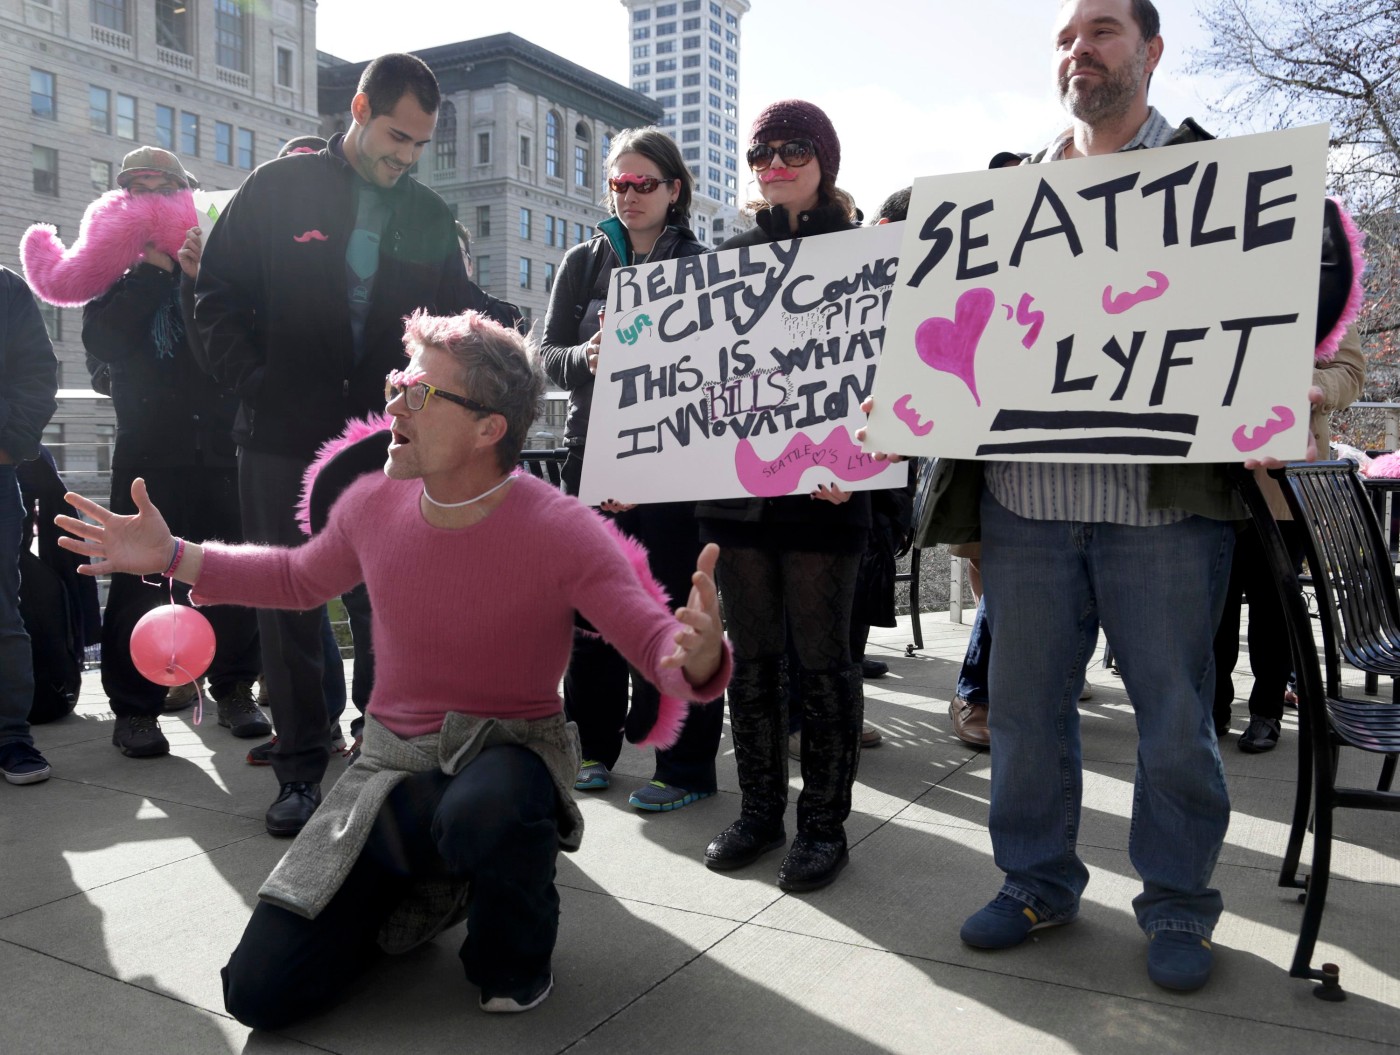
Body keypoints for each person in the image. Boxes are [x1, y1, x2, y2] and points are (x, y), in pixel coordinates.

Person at [56, 309, 730, 1018]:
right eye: (397, 384)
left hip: (504, 760)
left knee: (486, 810)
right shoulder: (374, 502)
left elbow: (655, 643)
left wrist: (700, 653)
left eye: (420, 392)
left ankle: (514, 951)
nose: (395, 405)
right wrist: (171, 554)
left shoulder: (562, 528)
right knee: (257, 992)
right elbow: (296, 579)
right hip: (388, 774)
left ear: (488, 429)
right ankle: (427, 888)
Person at [886, 0, 1354, 993]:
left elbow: (1324, 345)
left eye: (1100, 29)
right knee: (1022, 717)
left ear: (1151, 50)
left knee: (1176, 721)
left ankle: (1178, 902)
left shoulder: (1226, 185)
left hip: (1165, 519)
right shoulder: (1005, 197)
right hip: (1024, 510)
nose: (1078, 50)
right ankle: (1034, 881)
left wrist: (1302, 391)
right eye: (1064, 36)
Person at [195, 53, 473, 836]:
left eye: (419, 144)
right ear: (358, 110)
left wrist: (535, 344)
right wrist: (255, 382)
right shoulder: (277, 188)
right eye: (395, 137)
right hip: (278, 437)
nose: (405, 157)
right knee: (287, 601)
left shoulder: (427, 213)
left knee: (385, 600)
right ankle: (298, 771)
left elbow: (458, 319)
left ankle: (382, 753)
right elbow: (214, 296)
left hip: (382, 441)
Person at [698, 100, 869, 892]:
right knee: (754, 660)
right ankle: (760, 811)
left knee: (824, 662)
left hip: (827, 491)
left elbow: (893, 377)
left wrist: (866, 460)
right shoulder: (726, 261)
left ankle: (824, 826)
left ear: (825, 160)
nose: (774, 163)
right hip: (737, 494)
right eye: (760, 151)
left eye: (793, 148)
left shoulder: (867, 255)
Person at [541, 127, 726, 812]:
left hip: (675, 472)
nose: (629, 195)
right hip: (591, 461)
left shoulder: (705, 266)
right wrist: (582, 358)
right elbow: (545, 355)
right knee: (591, 618)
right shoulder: (582, 262)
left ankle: (685, 767)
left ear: (674, 189)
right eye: (619, 183)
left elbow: (721, 374)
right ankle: (591, 748)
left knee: (675, 614)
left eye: (643, 183)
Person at [83, 146, 265, 759]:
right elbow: (102, 340)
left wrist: (193, 276)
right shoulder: (113, 268)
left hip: (221, 450)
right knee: (137, 582)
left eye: (161, 187)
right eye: (135, 189)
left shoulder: (219, 259)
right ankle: (136, 710)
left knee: (229, 574)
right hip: (149, 455)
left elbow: (237, 345)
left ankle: (234, 688)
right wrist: (151, 273)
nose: (149, 199)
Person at [1214, 198, 1366, 753]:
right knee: (1214, 605)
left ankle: (1266, 712)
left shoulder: (1327, 290)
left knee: (1275, 603)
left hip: (1285, 480)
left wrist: (1305, 382)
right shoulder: (1222, 269)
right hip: (1214, 478)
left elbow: (1351, 372)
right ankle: (1212, 709)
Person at [0, 268, 59, 785]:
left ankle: (11, 737)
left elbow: (38, 375)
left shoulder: (5, 288)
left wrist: (8, 447)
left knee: (2, 613)